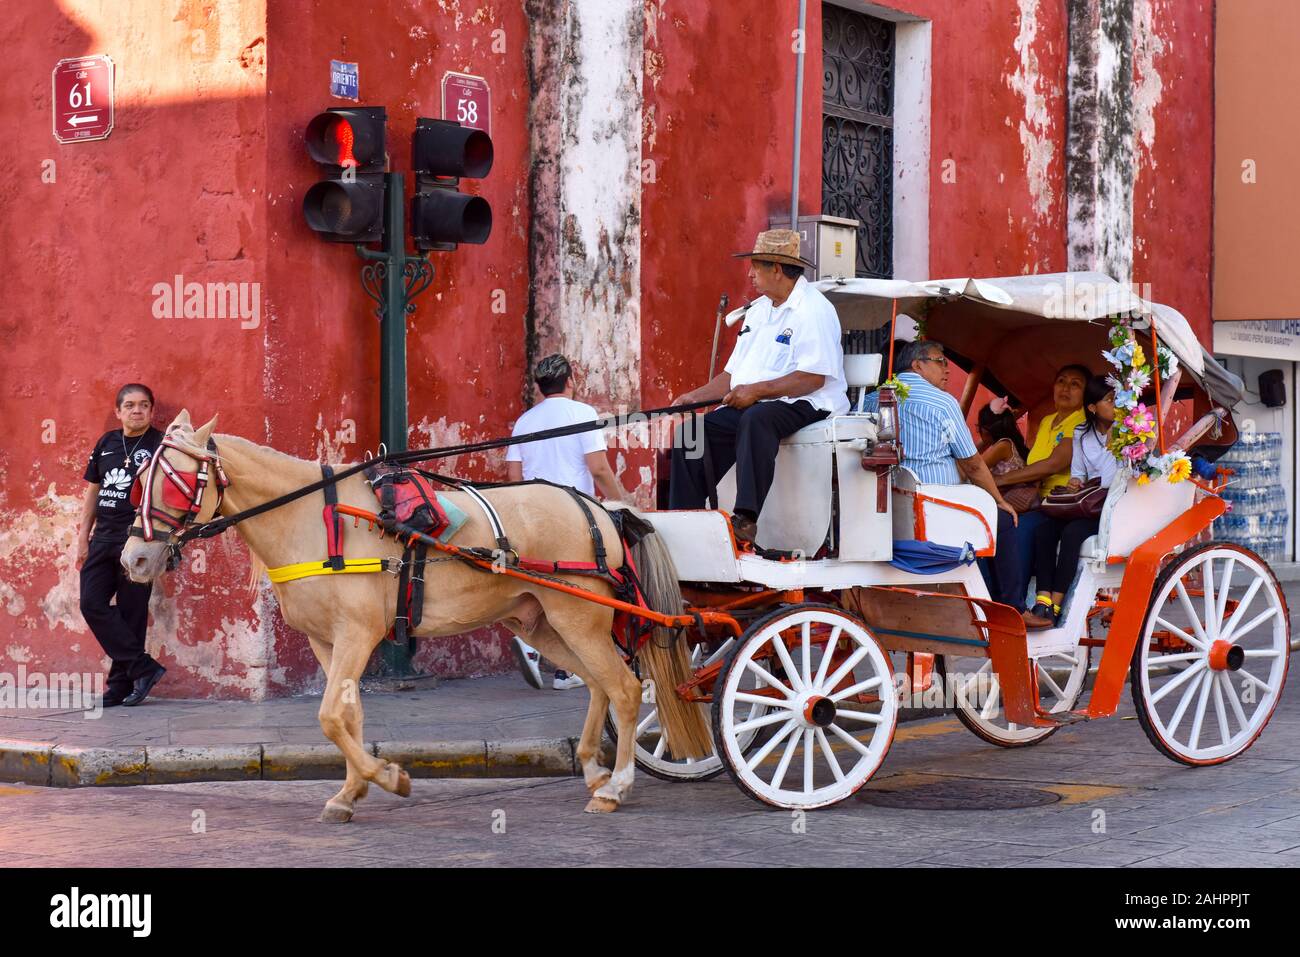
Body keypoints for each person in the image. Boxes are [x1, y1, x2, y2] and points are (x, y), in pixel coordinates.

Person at [668, 228, 849, 545]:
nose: (750, 274)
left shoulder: (814, 309)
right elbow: (733, 376)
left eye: (756, 267)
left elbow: (812, 378)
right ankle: (685, 525)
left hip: (809, 402)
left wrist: (756, 392)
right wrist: (693, 398)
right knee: (690, 434)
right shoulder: (760, 310)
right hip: (759, 401)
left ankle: (746, 518)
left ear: (776, 269)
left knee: (757, 419)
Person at [505, 354, 625, 690]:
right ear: (570, 381)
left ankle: (533, 645)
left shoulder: (524, 421)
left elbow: (514, 479)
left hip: (530, 515)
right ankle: (567, 670)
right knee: (578, 592)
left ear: (540, 387)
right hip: (573, 515)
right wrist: (624, 502)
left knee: (538, 585)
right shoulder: (583, 414)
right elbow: (599, 468)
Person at [863, 340, 1018, 545]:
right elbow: (972, 464)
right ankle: (1005, 579)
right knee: (1006, 520)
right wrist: (999, 501)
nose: (947, 370)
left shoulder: (871, 400)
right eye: (940, 362)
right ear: (918, 365)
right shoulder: (942, 402)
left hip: (887, 506)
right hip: (937, 506)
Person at [77, 384, 167, 707]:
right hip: (102, 538)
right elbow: (92, 492)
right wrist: (82, 538)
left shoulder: (160, 445)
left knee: (132, 613)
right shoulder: (106, 443)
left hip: (138, 539)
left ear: (152, 411)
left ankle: (118, 687)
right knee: (91, 602)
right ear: (118, 412)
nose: (137, 410)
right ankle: (143, 668)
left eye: (144, 405)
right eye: (129, 405)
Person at [992, 364, 1089, 608]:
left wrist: (1001, 480)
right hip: (1035, 500)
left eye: (1075, 384)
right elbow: (1033, 463)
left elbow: (1053, 464)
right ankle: (990, 599)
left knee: (1017, 528)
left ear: (1086, 394)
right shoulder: (1047, 420)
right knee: (990, 523)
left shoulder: (1082, 422)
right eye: (1061, 381)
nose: (1065, 388)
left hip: (1062, 505)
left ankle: (1014, 606)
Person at [1023, 376, 1117, 628]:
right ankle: (1041, 599)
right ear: (1093, 408)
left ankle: (1055, 604)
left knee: (1072, 532)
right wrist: (1075, 481)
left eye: (1118, 399)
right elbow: (1078, 472)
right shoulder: (1081, 434)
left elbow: (1110, 479)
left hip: (1112, 508)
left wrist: (1114, 439)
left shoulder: (1126, 436)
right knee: (1044, 530)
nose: (1116, 405)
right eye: (1109, 400)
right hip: (1087, 502)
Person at [976, 398, 1039, 609]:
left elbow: (973, 466)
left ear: (986, 429)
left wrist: (983, 441)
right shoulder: (1010, 444)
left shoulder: (1002, 445)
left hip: (1007, 503)